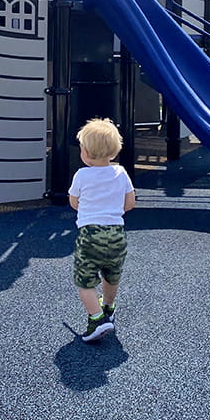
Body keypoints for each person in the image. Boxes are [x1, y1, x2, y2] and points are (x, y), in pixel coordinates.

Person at [68, 118, 136, 343]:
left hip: (90, 235)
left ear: (85, 152)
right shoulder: (121, 173)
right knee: (111, 274)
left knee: (85, 281)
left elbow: (74, 202)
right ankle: (108, 307)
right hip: (117, 234)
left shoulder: (81, 175)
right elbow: (130, 203)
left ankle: (96, 318)